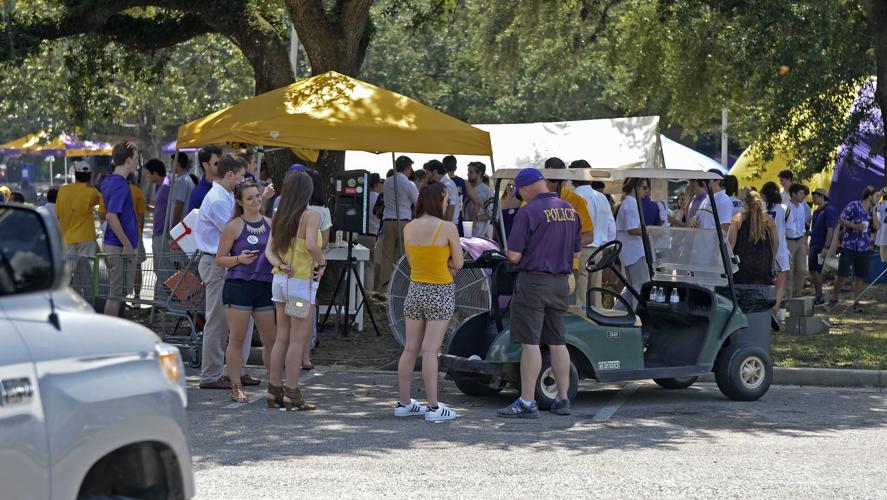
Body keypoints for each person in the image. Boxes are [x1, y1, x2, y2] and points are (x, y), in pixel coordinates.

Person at [497, 168, 580, 418]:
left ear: (525, 188)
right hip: (561, 282)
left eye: (520, 191)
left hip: (533, 282)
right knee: (557, 341)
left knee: (530, 342)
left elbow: (514, 255)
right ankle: (563, 398)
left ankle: (526, 401)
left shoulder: (528, 211)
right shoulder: (569, 209)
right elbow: (576, 252)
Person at [395, 182, 464, 421]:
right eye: (445, 199)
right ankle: (434, 406)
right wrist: (445, 264)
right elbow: (459, 262)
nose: (447, 203)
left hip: (415, 289)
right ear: (438, 201)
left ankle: (404, 402)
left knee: (410, 348)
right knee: (431, 350)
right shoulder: (447, 228)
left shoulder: (409, 227)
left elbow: (414, 262)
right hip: (440, 291)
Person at [265, 169, 324, 411]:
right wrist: (322, 261)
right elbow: (311, 244)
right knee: (298, 341)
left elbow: (269, 251)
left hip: (280, 280)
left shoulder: (279, 215)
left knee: (282, 337)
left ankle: (274, 389)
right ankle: (292, 392)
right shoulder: (311, 216)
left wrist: (279, 264)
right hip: (300, 282)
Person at [215, 180, 276, 403]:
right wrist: (240, 259)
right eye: (250, 198)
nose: (256, 201)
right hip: (239, 286)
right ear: (240, 202)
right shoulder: (234, 226)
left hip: (264, 286)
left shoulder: (270, 223)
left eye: (258, 196)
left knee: (271, 338)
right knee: (237, 339)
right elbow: (219, 259)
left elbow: (276, 253)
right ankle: (236, 386)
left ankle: (274, 384)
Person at [194, 153, 251, 390]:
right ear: (229, 175)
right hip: (217, 263)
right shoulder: (218, 199)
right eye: (240, 177)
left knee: (241, 319)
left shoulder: (225, 195)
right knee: (218, 320)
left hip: (227, 262)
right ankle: (210, 374)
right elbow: (234, 230)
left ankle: (236, 369)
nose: (243, 182)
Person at [101, 141, 140, 318]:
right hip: (119, 247)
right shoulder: (119, 184)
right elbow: (111, 216)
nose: (138, 162)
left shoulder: (110, 180)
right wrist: (127, 244)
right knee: (116, 294)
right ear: (128, 161)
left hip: (116, 245)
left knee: (118, 293)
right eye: (136, 158)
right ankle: (110, 334)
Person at [571, 160, 616, 308]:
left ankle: (580, 327)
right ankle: (596, 323)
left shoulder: (573, 197)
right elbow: (611, 227)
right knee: (595, 293)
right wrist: (605, 244)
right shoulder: (602, 197)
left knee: (579, 295)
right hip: (599, 250)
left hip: (580, 249)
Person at [829, 186, 881, 312]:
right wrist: (855, 226)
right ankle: (834, 300)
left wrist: (873, 210)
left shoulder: (871, 210)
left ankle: (856, 302)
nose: (877, 199)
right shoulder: (854, 205)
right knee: (842, 274)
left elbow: (876, 227)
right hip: (849, 246)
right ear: (869, 196)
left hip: (864, 247)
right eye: (875, 196)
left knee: (859, 276)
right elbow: (841, 219)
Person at [55, 162, 103, 296]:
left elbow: (58, 215)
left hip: (67, 237)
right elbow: (101, 204)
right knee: (86, 271)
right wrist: (90, 183)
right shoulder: (92, 192)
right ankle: (87, 299)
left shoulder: (63, 190)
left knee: (69, 272)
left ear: (75, 174)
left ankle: (67, 296)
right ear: (90, 176)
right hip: (86, 238)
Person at [302, 168, 332, 369]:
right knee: (308, 307)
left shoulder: (292, 207)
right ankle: (307, 348)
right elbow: (324, 242)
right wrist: (321, 262)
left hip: (288, 268)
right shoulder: (322, 211)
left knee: (290, 313)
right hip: (312, 265)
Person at [378, 156, 419, 293]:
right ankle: (399, 289)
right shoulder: (408, 184)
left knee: (387, 257)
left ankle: (384, 288)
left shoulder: (387, 182)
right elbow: (418, 202)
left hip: (388, 221)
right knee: (402, 257)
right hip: (403, 222)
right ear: (407, 168)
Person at [727, 190, 777, 285]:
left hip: (742, 267)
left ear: (744, 203)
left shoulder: (738, 219)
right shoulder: (768, 219)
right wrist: (772, 259)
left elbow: (731, 245)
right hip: (763, 264)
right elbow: (776, 242)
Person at [614, 178, 649, 310]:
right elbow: (632, 229)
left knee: (630, 288)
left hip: (630, 252)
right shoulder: (630, 204)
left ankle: (615, 314)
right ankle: (638, 318)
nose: (646, 191)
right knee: (640, 286)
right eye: (644, 188)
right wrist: (649, 231)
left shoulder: (629, 203)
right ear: (636, 187)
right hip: (634, 253)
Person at [760, 182, 790, 323]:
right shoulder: (785, 209)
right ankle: (774, 311)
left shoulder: (761, 209)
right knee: (780, 286)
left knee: (765, 283)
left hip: (764, 250)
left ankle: (764, 311)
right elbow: (789, 229)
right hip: (780, 250)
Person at [144, 159, 171, 299]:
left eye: (148, 174)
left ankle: (164, 300)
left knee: (162, 269)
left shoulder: (166, 187)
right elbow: (161, 208)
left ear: (155, 173)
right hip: (157, 232)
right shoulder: (160, 186)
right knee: (158, 268)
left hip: (162, 233)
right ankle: (160, 299)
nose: (147, 177)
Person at [809, 188, 837, 305]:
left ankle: (819, 295)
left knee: (817, 270)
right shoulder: (816, 211)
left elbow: (830, 229)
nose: (813, 198)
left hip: (820, 245)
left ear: (822, 196)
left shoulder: (828, 210)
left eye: (815, 196)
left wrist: (826, 247)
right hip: (813, 243)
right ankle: (818, 294)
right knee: (813, 270)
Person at [356, 173, 383, 292]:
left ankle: (357, 290)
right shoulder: (380, 199)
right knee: (370, 266)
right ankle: (368, 292)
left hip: (360, 235)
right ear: (377, 184)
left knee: (359, 265)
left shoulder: (362, 198)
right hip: (373, 236)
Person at [442, 155, 480, 236]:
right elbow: (477, 202)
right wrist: (471, 223)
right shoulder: (463, 182)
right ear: (455, 168)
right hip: (458, 222)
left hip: (443, 221)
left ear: (442, 167)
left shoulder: (441, 182)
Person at [784, 183, 810, 300]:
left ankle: (797, 297)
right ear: (793, 194)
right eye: (800, 193)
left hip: (800, 240)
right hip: (788, 241)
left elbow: (803, 225)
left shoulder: (802, 207)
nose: (803, 195)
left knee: (801, 270)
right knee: (789, 272)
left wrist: (805, 242)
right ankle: (788, 299)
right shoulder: (786, 207)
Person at [187, 145, 222, 212]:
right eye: (216, 163)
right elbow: (193, 220)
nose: (221, 165)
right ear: (205, 165)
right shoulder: (198, 193)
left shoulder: (229, 185)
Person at [424, 160, 460, 224]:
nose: (426, 176)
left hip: (448, 226)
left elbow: (451, 207)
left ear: (434, 172)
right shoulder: (442, 184)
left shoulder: (447, 185)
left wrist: (445, 226)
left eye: (427, 173)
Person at [465, 161, 494, 237]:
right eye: (468, 171)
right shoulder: (466, 188)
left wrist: (475, 218)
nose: (468, 174)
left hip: (478, 234)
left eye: (471, 172)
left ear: (479, 173)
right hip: (464, 231)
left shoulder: (487, 191)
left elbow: (493, 214)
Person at [169, 152, 195, 231]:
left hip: (180, 229)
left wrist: (174, 229)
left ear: (176, 163)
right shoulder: (186, 179)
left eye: (172, 162)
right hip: (184, 226)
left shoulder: (182, 180)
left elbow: (179, 206)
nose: (171, 165)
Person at [876, 189, 887, 265]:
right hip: (883, 236)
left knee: (883, 263)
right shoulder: (881, 204)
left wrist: (880, 194)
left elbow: (872, 206)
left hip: (883, 237)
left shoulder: (881, 204)